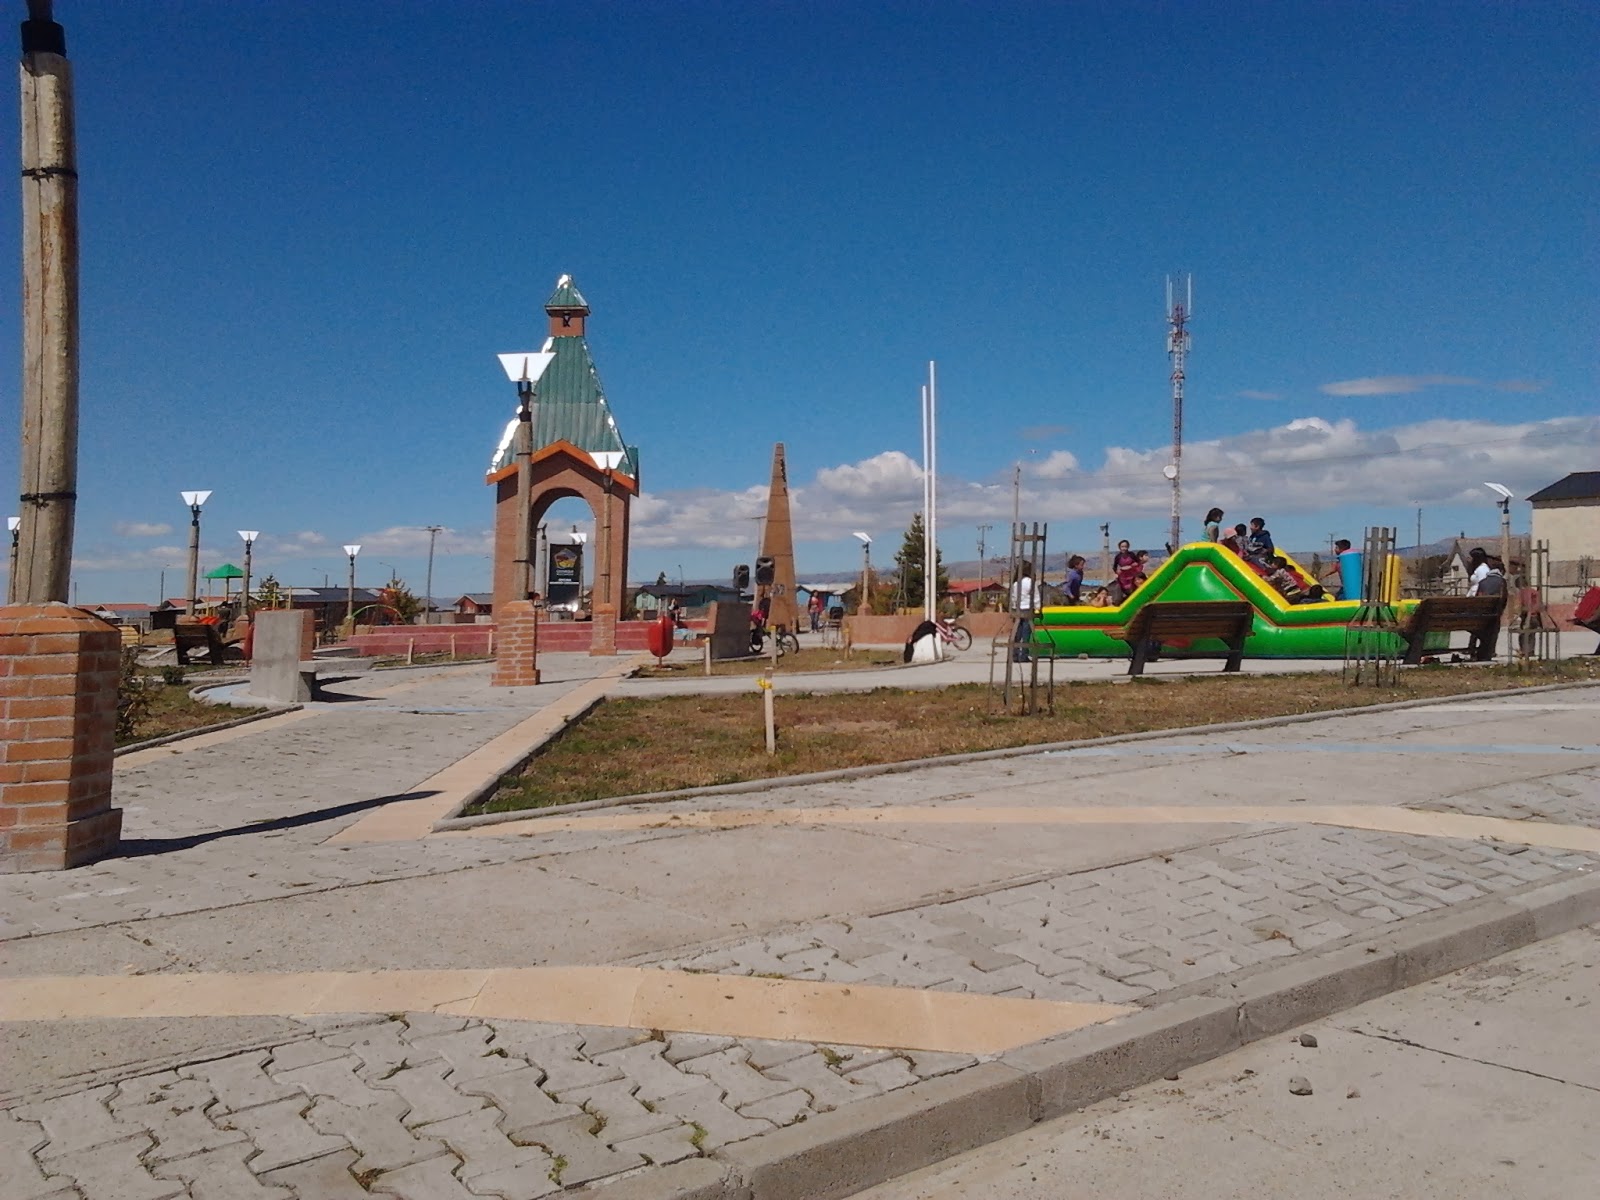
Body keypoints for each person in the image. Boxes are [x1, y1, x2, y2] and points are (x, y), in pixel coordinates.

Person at [1009, 564, 1036, 662]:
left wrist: (1013, 608)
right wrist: (1038, 607)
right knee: (1026, 634)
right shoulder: (1030, 582)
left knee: (1017, 633)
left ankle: (1014, 655)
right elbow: (1035, 595)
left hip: (1018, 610)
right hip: (1028, 609)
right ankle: (1024, 655)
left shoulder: (1016, 583)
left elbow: (1013, 597)